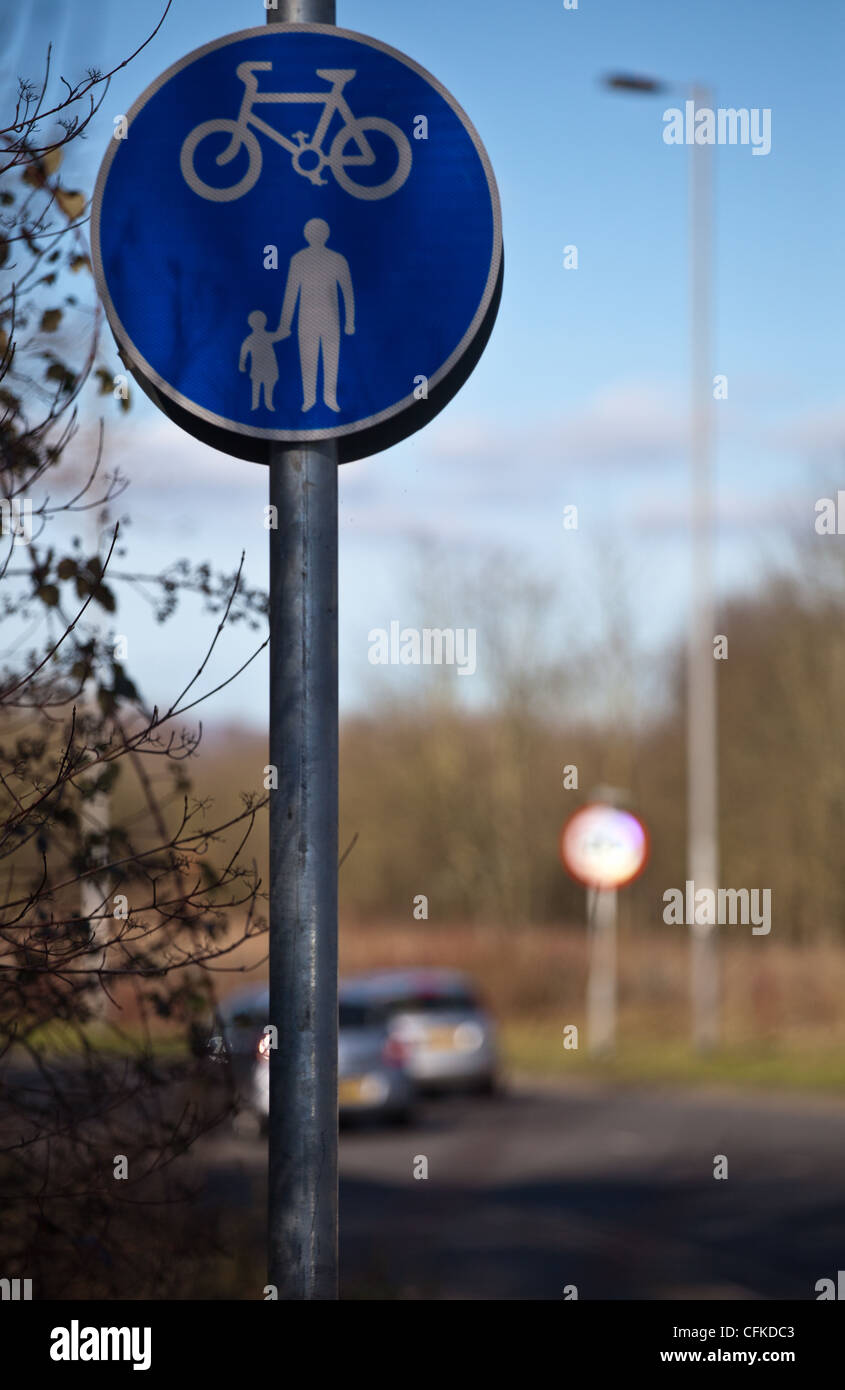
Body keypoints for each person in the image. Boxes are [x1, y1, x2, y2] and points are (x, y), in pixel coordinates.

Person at [276, 218, 355, 412]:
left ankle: (330, 398)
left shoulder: (337, 259)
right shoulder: (299, 259)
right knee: (308, 360)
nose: (316, 236)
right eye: (313, 232)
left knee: (331, 358)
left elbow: (347, 292)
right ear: (307, 235)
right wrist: (285, 324)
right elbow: (291, 292)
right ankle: (309, 399)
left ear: (326, 235)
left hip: (331, 319)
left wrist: (350, 321)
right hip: (306, 319)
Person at [239, 310, 283, 411]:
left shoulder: (267, 336)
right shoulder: (250, 339)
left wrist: (284, 331)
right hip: (258, 367)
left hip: (269, 366)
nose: (258, 324)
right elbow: (244, 352)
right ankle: (255, 404)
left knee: (268, 385)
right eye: (256, 322)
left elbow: (279, 335)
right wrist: (242, 364)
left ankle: (268, 404)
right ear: (251, 324)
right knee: (257, 385)